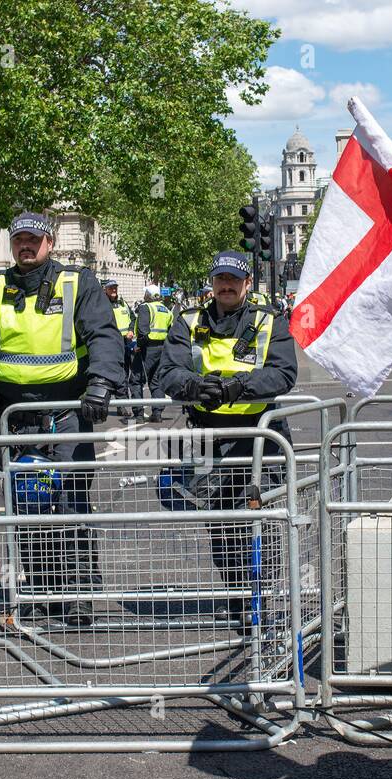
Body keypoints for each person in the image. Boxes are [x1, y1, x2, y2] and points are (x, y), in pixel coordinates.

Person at [0, 211, 123, 626]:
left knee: (70, 500)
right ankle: (40, 588)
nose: (26, 245)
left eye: (34, 239)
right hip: (12, 415)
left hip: (67, 410)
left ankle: (77, 594)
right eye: (19, 239)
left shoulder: (78, 283)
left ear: (50, 243)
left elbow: (103, 335)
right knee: (25, 502)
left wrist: (101, 383)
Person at [159, 250, 298, 631]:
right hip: (207, 436)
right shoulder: (187, 321)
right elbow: (167, 372)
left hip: (258, 438)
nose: (226, 286)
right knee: (220, 525)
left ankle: (259, 599)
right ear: (212, 282)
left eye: (234, 280)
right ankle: (238, 596)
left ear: (247, 285)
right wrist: (192, 385)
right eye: (221, 279)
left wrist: (239, 387)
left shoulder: (269, 321)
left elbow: (284, 373)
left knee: (258, 522)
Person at [133, 284, 173, 423]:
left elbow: (143, 332)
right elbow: (171, 330)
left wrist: (138, 346)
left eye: (146, 294)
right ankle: (157, 413)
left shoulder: (146, 307)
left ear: (149, 295)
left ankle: (138, 415)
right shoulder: (166, 310)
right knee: (156, 381)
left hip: (147, 349)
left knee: (136, 381)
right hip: (162, 349)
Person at [103, 279, 141, 420]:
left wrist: (131, 330)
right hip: (112, 343)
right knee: (120, 375)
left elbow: (132, 318)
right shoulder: (103, 304)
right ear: (105, 289)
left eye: (115, 288)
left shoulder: (123, 303)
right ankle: (122, 405)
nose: (114, 290)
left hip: (127, 342)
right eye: (111, 288)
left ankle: (125, 404)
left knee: (130, 374)